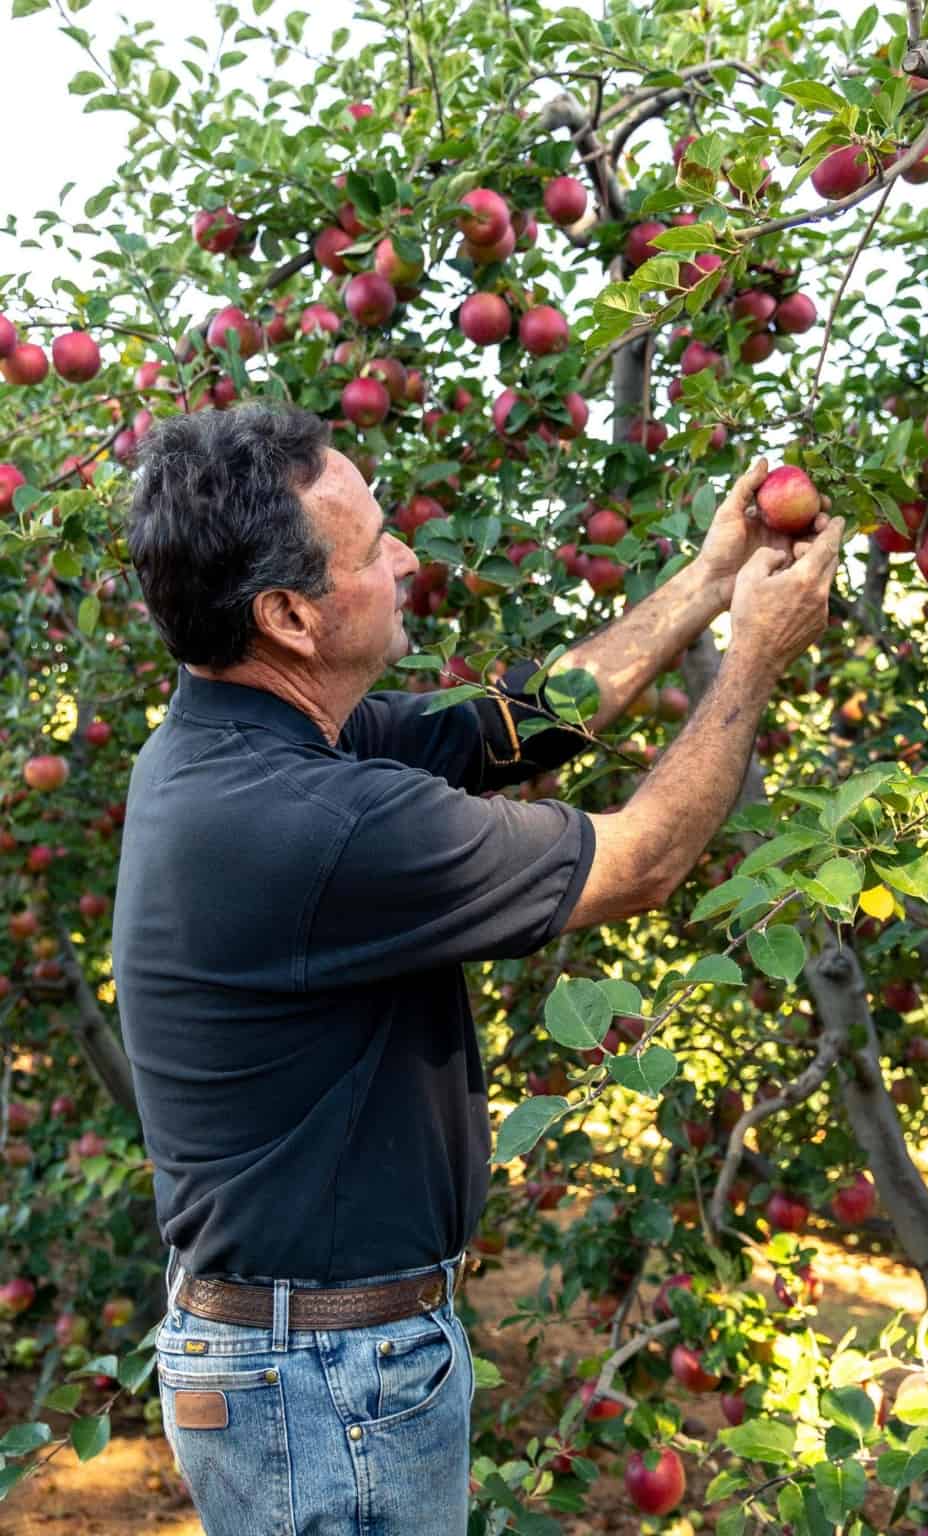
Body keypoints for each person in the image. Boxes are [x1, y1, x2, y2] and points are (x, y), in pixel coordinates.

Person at [111, 401, 842, 1535]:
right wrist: (753, 655)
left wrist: (707, 583)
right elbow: (640, 862)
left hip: (303, 1357)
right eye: (372, 548)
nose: (405, 557)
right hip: (327, 1382)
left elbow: (521, 723)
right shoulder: (314, 818)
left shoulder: (241, 737)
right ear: (290, 615)